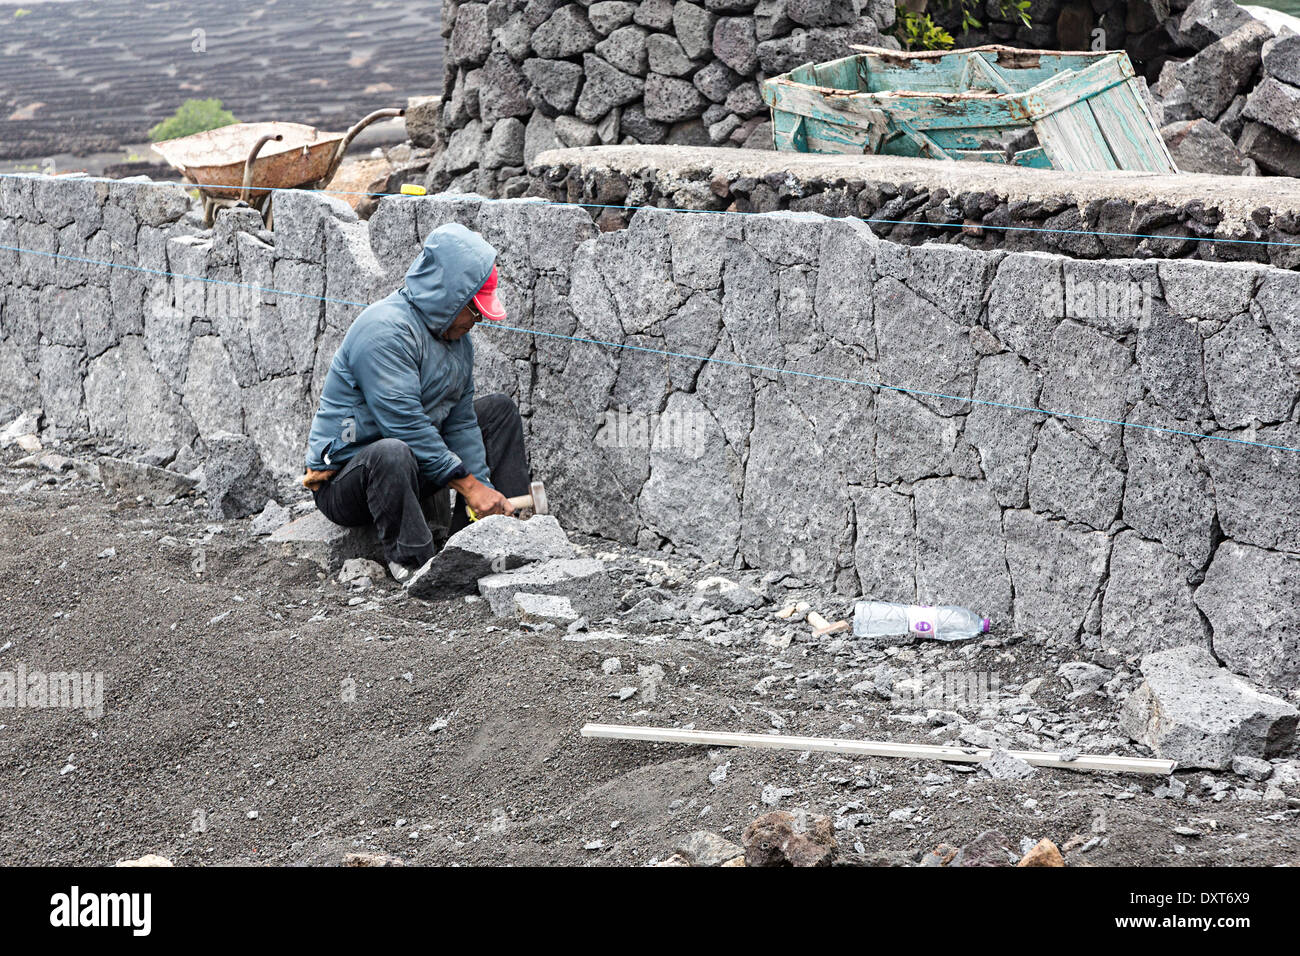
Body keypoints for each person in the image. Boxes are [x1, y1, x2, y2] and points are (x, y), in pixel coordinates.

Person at [301, 223, 530, 580]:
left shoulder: (458, 345)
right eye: (475, 310)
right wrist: (469, 486)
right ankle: (416, 564)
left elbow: (461, 422)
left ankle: (492, 538)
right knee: (391, 450)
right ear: (450, 296)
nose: (478, 321)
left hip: (412, 466)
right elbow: (405, 425)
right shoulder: (384, 331)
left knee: (497, 411)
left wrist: (482, 492)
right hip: (349, 480)